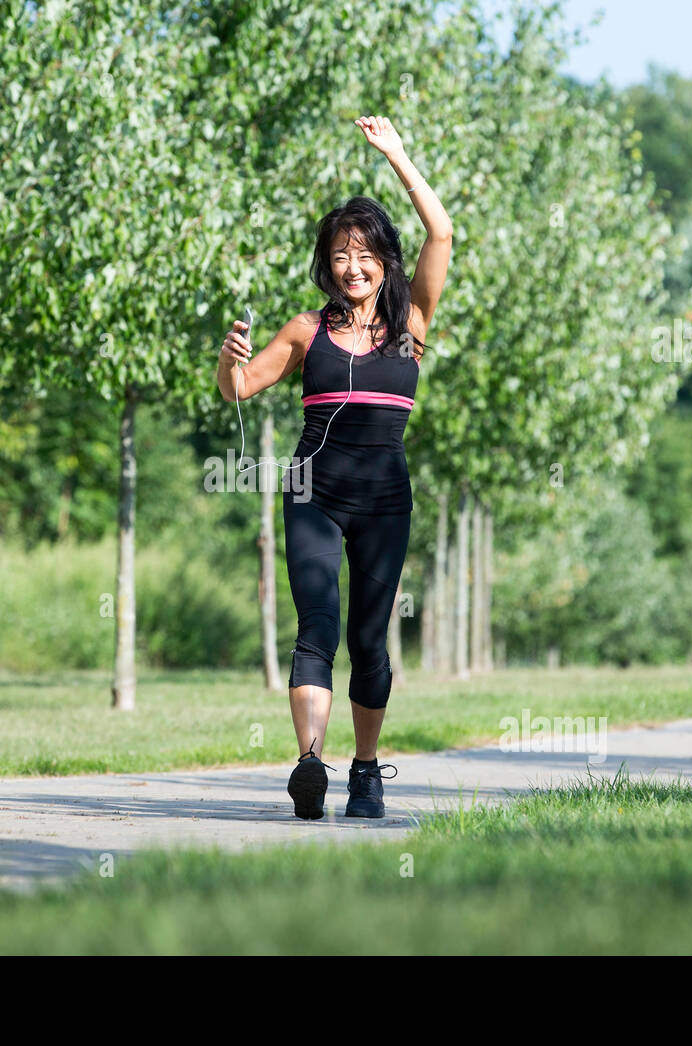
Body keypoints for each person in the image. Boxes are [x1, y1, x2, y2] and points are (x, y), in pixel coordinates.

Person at [216, 115, 452, 819]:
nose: (352, 267)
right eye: (340, 255)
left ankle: (367, 770)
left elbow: (441, 234)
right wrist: (226, 361)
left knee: (369, 638)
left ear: (385, 261)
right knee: (316, 624)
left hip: (385, 499)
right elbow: (237, 390)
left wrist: (401, 158)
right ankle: (311, 764)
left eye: (365, 254)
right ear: (328, 263)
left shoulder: (412, 324)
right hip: (313, 494)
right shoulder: (305, 330)